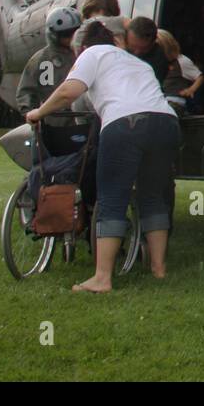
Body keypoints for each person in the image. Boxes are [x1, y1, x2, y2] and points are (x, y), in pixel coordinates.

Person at [27, 19, 181, 293]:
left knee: (111, 198)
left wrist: (39, 113)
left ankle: (102, 278)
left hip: (126, 125)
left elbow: (68, 91)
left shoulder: (91, 53)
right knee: (153, 196)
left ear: (82, 46)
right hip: (166, 124)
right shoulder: (137, 62)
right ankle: (159, 269)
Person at [16, 6, 81, 113]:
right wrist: (30, 112)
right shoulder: (40, 59)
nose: (72, 38)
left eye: (76, 32)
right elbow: (26, 92)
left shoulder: (86, 53)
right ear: (54, 35)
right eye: (66, 34)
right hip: (53, 122)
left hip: (86, 120)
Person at [156, 29, 204, 113]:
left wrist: (191, 89)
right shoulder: (159, 63)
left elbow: (200, 77)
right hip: (162, 101)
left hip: (175, 102)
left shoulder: (181, 61)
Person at [126, 16, 170, 85]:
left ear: (153, 43)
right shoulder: (117, 48)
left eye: (143, 49)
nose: (137, 52)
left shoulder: (159, 60)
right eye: (133, 47)